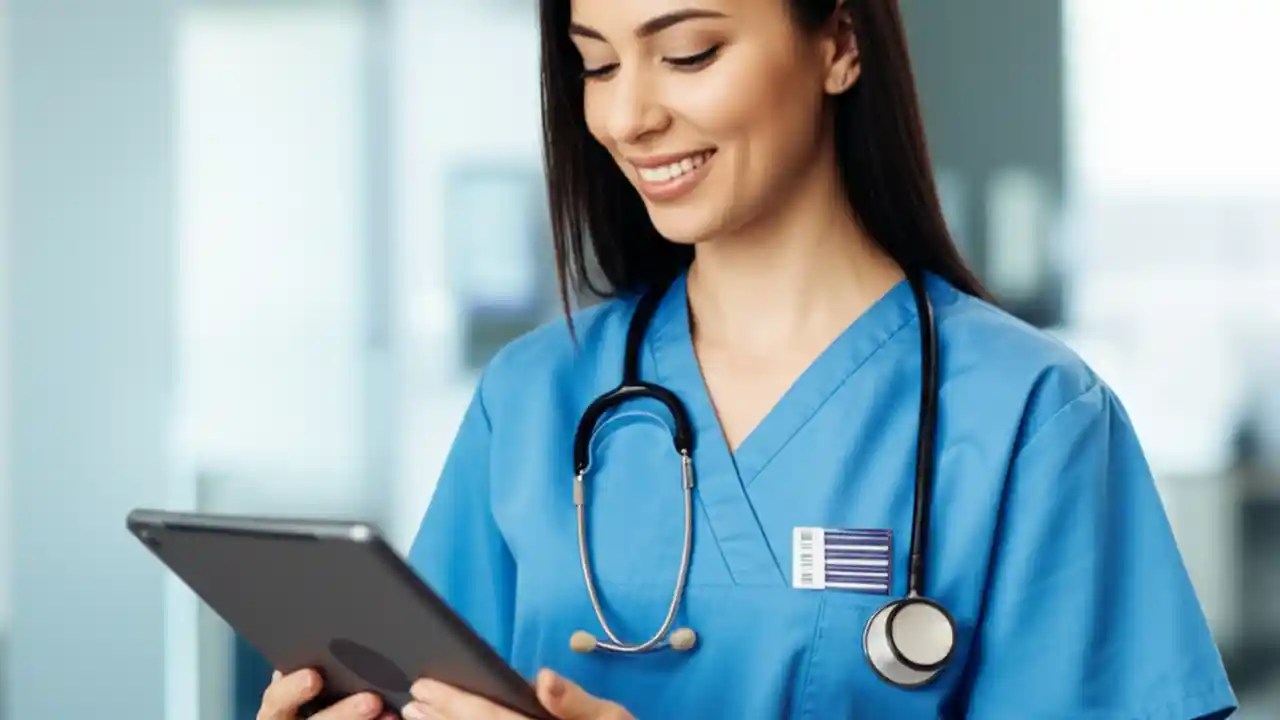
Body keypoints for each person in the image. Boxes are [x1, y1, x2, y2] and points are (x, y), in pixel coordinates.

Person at [257, 0, 1239, 717]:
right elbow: (422, 692)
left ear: (840, 44)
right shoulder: (532, 398)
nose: (626, 116)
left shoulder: (1027, 415)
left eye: (686, 53)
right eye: (594, 64)